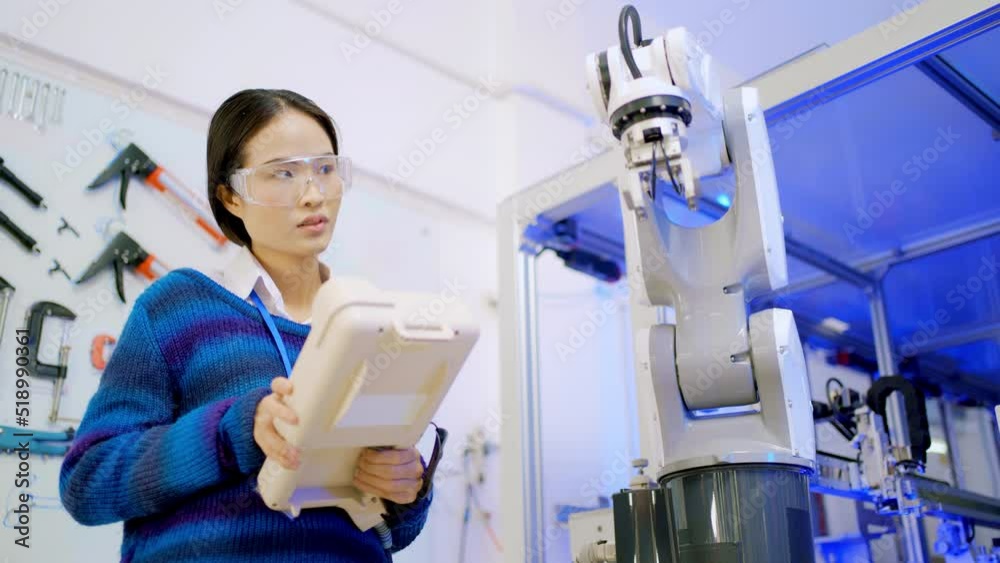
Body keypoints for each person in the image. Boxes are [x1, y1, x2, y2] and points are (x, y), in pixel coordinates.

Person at [59, 89, 431, 562]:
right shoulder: (179, 306)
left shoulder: (375, 326)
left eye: (324, 168)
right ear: (231, 196)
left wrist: (407, 489)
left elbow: (392, 531)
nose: (313, 193)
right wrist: (233, 432)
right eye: (283, 173)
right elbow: (88, 482)